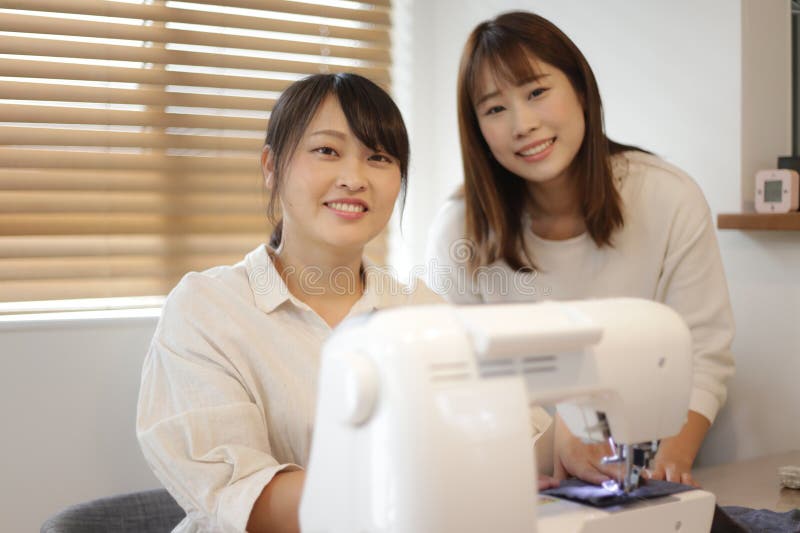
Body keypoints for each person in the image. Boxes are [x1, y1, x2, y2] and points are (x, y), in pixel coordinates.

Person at [426, 11, 735, 488]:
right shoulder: (458, 230)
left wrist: (664, 469)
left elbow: (705, 355)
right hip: (518, 476)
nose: (522, 124)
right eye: (494, 109)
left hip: (643, 468)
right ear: (478, 131)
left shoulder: (669, 197)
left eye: (536, 92)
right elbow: (455, 380)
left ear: (581, 90)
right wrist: (542, 453)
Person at [137, 73, 441, 533]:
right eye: (327, 150)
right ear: (271, 167)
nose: (354, 178)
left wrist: (559, 445)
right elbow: (248, 499)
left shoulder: (423, 310)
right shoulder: (207, 309)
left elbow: (510, 440)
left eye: (378, 157)